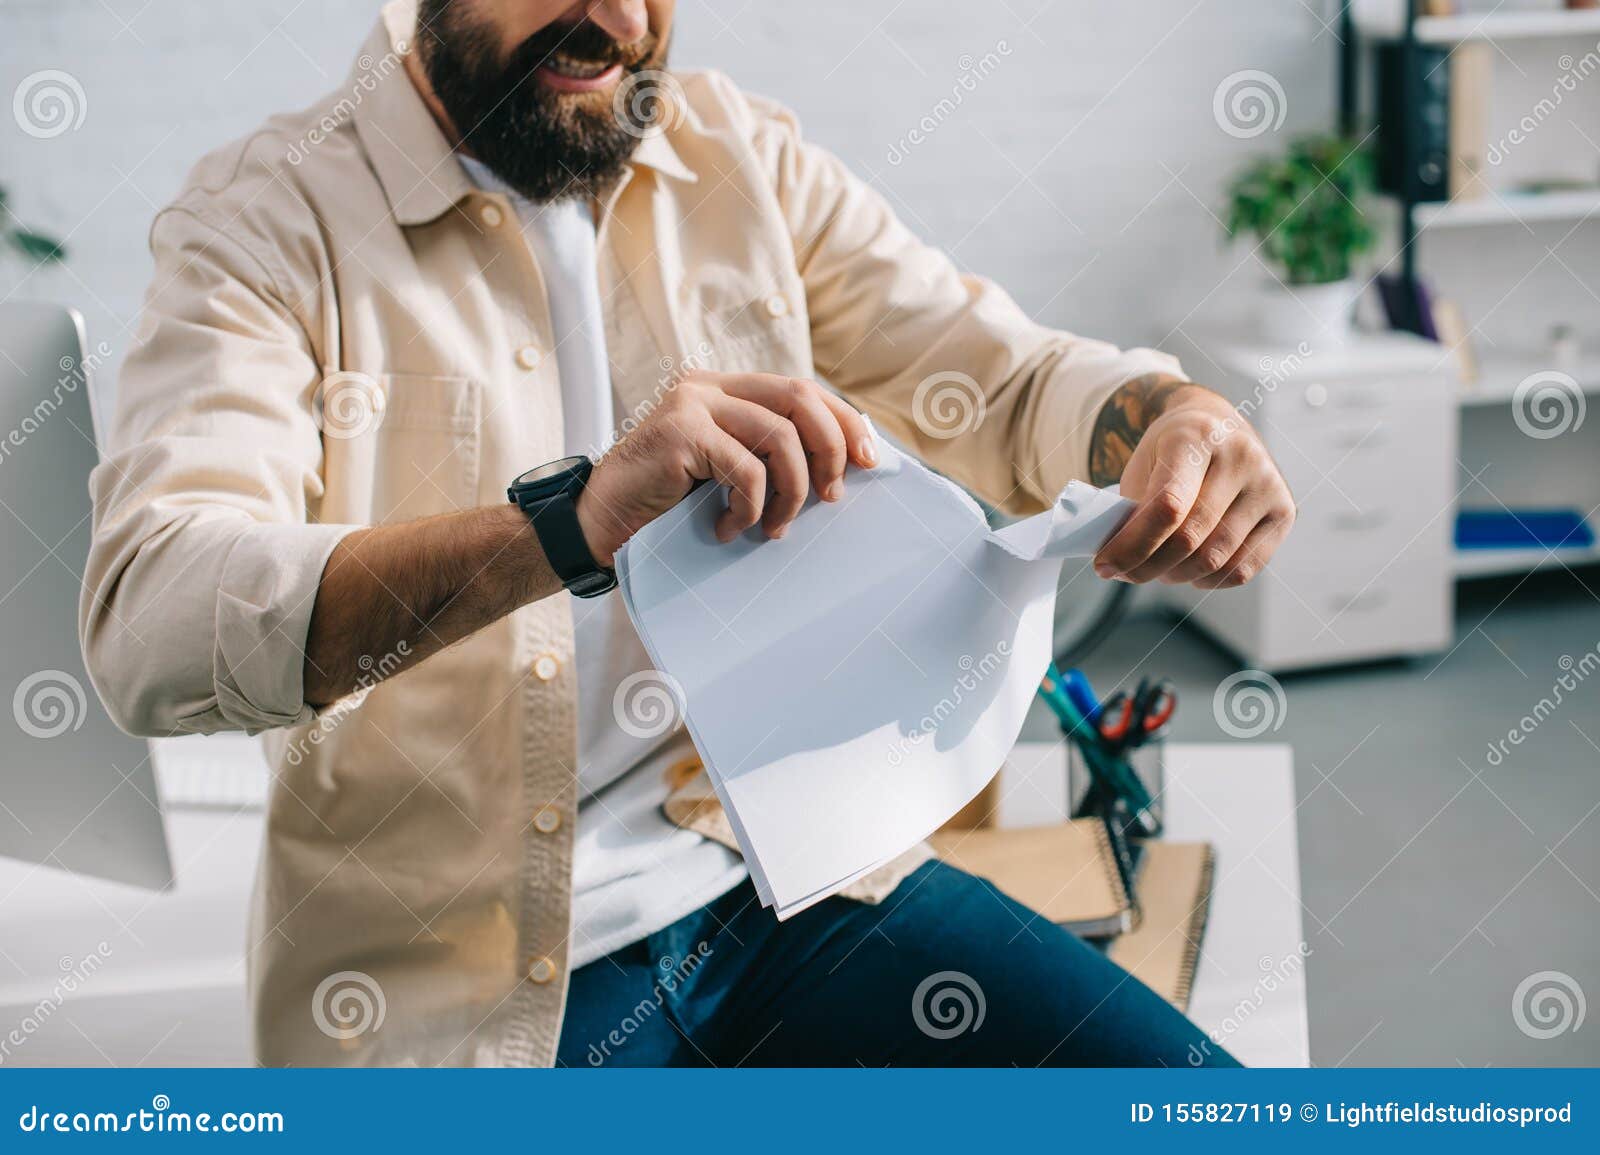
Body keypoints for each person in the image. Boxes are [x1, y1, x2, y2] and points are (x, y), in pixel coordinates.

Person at [82, 0, 1294, 1067]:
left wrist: (1168, 416)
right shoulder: (261, 226)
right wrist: (568, 522)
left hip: (795, 883)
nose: (618, 19)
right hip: (466, 993)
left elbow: (1010, 382)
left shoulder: (735, 156)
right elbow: (153, 621)